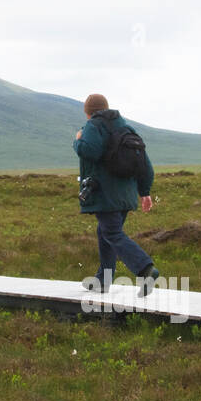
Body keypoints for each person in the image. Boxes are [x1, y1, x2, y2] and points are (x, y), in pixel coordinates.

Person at [72, 93, 159, 296]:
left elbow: (90, 150)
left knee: (111, 233)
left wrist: (77, 140)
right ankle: (103, 280)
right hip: (126, 195)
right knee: (105, 232)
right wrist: (144, 192)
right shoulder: (126, 128)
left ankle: (145, 269)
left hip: (105, 193)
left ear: (88, 112)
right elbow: (146, 165)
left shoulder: (94, 126)